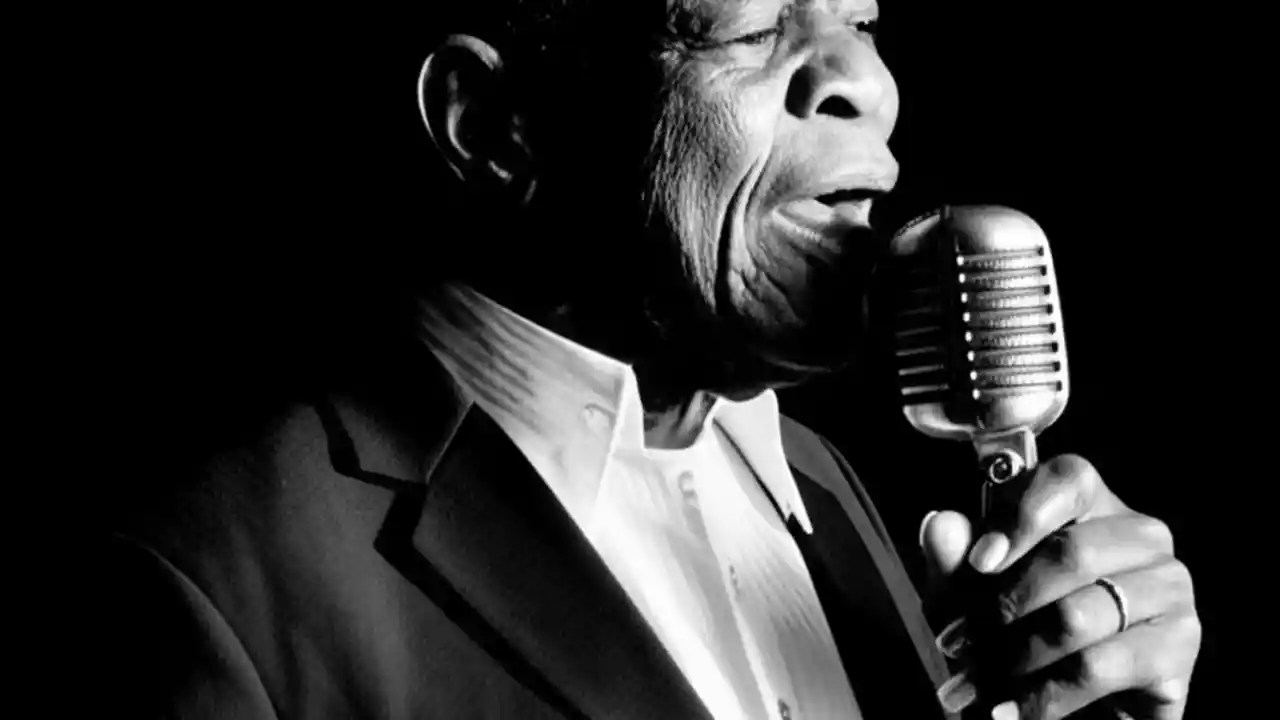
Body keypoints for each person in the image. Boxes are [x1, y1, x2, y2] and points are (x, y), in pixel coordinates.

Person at [96, 2, 1202, 718]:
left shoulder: (821, 483)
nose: (861, 83)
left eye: (859, 21)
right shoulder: (202, 589)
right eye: (746, 27)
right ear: (493, 129)